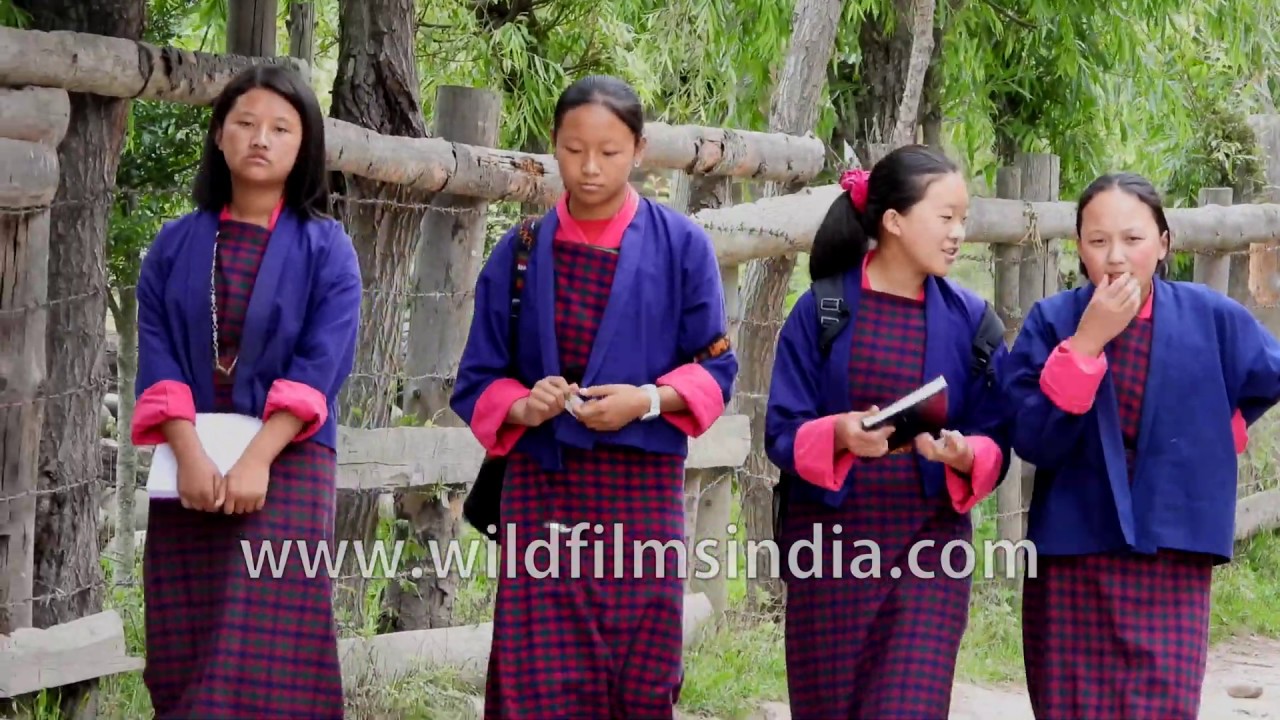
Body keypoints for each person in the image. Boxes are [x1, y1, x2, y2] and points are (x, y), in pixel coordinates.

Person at [450, 74, 737, 719]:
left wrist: (646, 401)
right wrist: (525, 405)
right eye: (574, 149)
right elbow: (479, 379)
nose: (589, 168)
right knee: (535, 676)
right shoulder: (520, 251)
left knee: (643, 671)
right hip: (541, 489)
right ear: (553, 145)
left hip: (641, 495)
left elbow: (716, 369)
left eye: (609, 152)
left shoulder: (681, 246)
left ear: (638, 150)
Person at [1002, 172, 1280, 719]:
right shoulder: (1053, 321)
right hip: (1073, 554)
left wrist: (1226, 426)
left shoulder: (1211, 317)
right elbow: (1033, 437)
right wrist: (1087, 343)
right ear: (1079, 246)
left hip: (1173, 550)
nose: (1115, 257)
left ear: (1164, 243)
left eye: (1133, 239)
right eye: (1097, 240)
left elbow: (1268, 376)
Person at [131, 65, 360, 719]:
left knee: (264, 647)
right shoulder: (173, 247)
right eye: (246, 123)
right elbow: (161, 359)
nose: (261, 138)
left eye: (281, 128)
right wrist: (193, 453)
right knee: (188, 644)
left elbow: (323, 361)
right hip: (192, 467)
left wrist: (258, 456)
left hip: (288, 461)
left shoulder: (328, 249)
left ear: (303, 146)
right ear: (218, 136)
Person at [763, 144, 1013, 719]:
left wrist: (964, 452)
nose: (957, 233)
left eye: (963, 219)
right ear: (894, 221)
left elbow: (997, 429)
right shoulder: (822, 309)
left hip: (930, 551)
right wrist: (842, 434)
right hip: (829, 552)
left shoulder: (975, 323)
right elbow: (782, 430)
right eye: (945, 217)